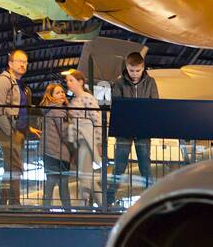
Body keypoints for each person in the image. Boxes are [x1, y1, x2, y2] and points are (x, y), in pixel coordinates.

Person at [106, 51, 159, 204]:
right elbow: (116, 106)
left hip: (143, 130)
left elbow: (155, 104)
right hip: (124, 131)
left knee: (145, 165)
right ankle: (108, 200)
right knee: (119, 165)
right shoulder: (119, 83)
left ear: (143, 68)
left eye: (138, 70)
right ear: (126, 68)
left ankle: (152, 200)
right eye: (131, 70)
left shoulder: (151, 82)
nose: (135, 74)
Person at [0, 49, 30, 205]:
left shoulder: (17, 83)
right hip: (9, 131)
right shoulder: (2, 81)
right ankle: (15, 204)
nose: (23, 64)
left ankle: (0, 203)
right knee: (15, 168)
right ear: (10, 63)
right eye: (19, 61)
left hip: (17, 131)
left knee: (12, 168)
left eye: (25, 62)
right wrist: (9, 130)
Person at [63, 68, 102, 208]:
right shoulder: (75, 100)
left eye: (71, 80)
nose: (68, 83)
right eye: (67, 81)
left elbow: (97, 120)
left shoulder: (87, 98)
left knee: (84, 174)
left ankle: (84, 204)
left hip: (86, 138)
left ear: (80, 82)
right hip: (79, 140)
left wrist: (98, 142)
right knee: (86, 173)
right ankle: (101, 204)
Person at [39, 83, 71, 209]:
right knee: (62, 182)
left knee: (52, 181)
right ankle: (67, 211)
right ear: (51, 96)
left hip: (49, 151)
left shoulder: (49, 110)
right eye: (57, 93)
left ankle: (46, 209)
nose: (62, 94)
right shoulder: (58, 110)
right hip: (58, 152)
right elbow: (64, 132)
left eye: (62, 92)